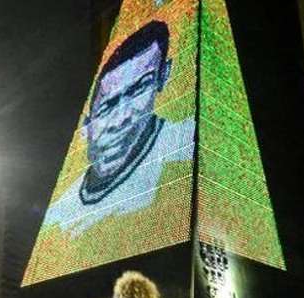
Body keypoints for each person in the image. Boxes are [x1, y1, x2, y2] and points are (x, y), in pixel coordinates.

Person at [39, 20, 194, 239]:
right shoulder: (59, 215)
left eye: (139, 88)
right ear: (86, 127)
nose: (121, 118)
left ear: (164, 76)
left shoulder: (188, 151)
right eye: (107, 107)